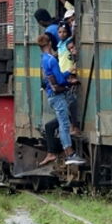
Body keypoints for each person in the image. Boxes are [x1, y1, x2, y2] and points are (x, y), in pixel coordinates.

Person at [38, 34, 85, 166]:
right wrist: (70, 79)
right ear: (50, 44)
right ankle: (70, 153)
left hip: (52, 95)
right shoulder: (52, 60)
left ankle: (56, 151)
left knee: (66, 113)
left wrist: (68, 72)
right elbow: (60, 80)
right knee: (64, 124)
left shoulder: (43, 59)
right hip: (58, 96)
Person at [56, 22, 81, 134]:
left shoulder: (68, 43)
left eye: (64, 32)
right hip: (63, 75)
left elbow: (73, 50)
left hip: (69, 74)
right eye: (60, 32)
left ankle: (74, 126)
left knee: (70, 102)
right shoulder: (60, 44)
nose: (62, 34)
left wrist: (74, 53)